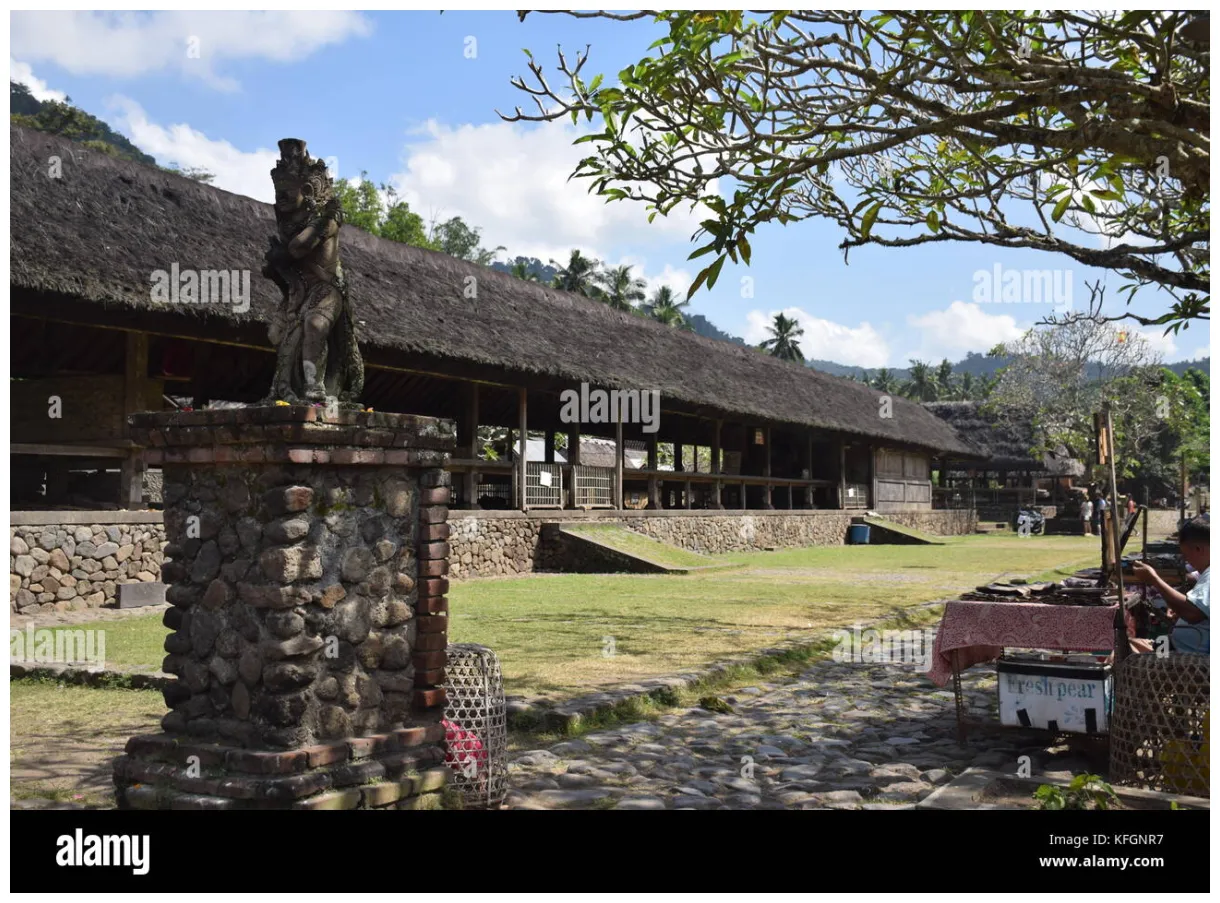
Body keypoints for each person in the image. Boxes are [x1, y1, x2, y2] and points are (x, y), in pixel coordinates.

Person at [1132, 517, 1210, 655]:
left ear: (1198, 549)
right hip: (1178, 644)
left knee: (1125, 650)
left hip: (1188, 654)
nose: (1187, 560)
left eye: (1186, 555)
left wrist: (1154, 579)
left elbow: (1193, 614)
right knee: (1134, 643)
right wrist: (1177, 609)